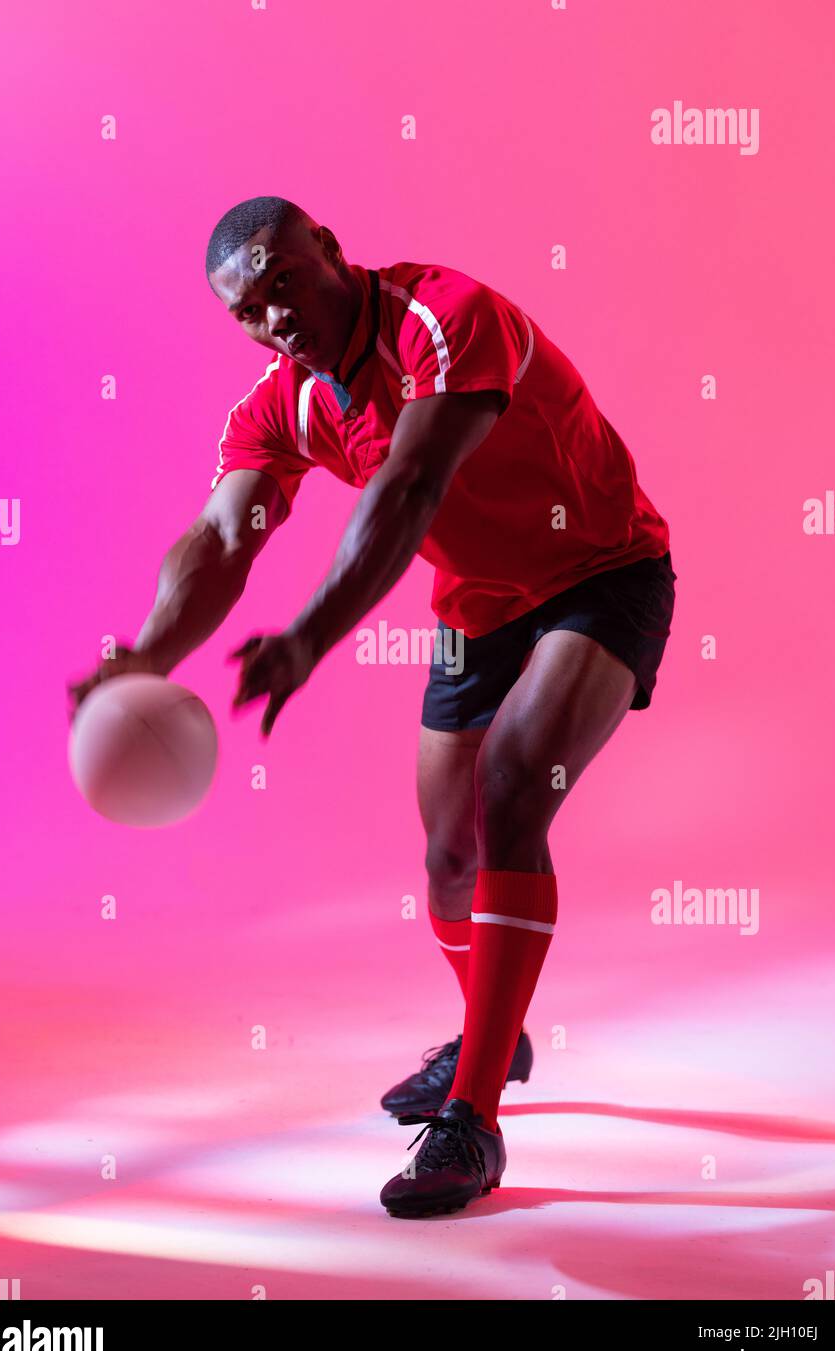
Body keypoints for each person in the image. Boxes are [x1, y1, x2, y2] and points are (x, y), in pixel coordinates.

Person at [68, 196, 676, 1219]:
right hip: (476, 606)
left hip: (602, 571)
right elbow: (221, 539)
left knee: (512, 791)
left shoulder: (444, 317)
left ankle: (473, 1120)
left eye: (284, 283)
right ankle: (495, 1029)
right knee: (446, 854)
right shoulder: (281, 402)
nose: (276, 317)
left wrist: (308, 634)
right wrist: (145, 657)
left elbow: (410, 486)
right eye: (249, 312)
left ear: (330, 251)